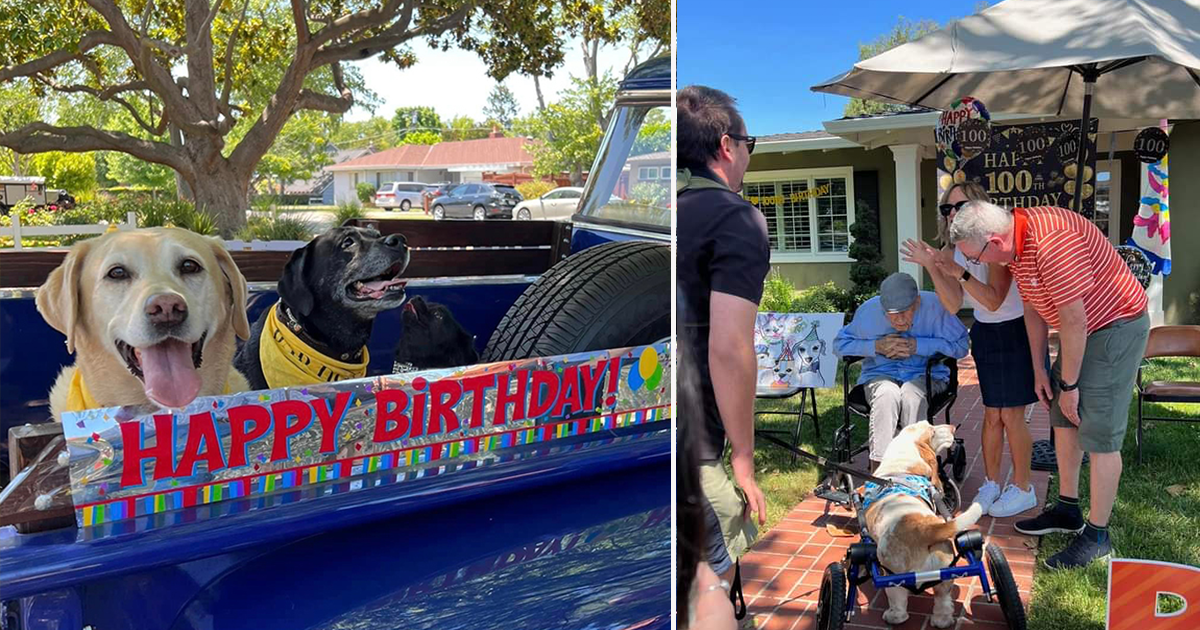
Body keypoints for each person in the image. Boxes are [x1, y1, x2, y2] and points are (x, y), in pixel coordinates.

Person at [950, 202, 1149, 569]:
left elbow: (1074, 321)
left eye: (974, 258)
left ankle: (1097, 535)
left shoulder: (1052, 243)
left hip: (1114, 326)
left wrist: (1070, 384)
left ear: (994, 242)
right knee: (1062, 420)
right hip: (1082, 329)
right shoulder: (1016, 243)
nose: (974, 264)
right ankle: (1068, 510)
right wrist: (1041, 370)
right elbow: (1034, 308)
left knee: (1099, 432)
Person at [900, 181, 1038, 518]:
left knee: (1011, 416)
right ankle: (992, 482)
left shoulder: (994, 244)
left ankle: (1023, 488)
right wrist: (934, 265)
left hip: (1014, 330)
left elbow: (993, 300)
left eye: (959, 207)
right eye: (946, 209)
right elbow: (951, 304)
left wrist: (959, 271)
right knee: (992, 416)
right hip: (986, 333)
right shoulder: (953, 251)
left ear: (979, 207)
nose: (951, 214)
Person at [677, 84, 769, 583]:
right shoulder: (737, 219)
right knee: (713, 589)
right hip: (700, 442)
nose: (751, 153)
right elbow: (730, 348)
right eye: (751, 142)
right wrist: (744, 458)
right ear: (727, 146)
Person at [833, 272, 969, 469]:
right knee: (886, 395)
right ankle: (879, 470)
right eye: (891, 314)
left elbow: (962, 344)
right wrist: (876, 346)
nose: (898, 321)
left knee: (911, 395)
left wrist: (919, 346)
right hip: (880, 374)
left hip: (925, 375)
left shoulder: (936, 308)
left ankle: (915, 466)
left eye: (904, 312)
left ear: (917, 301)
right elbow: (839, 345)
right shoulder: (869, 311)